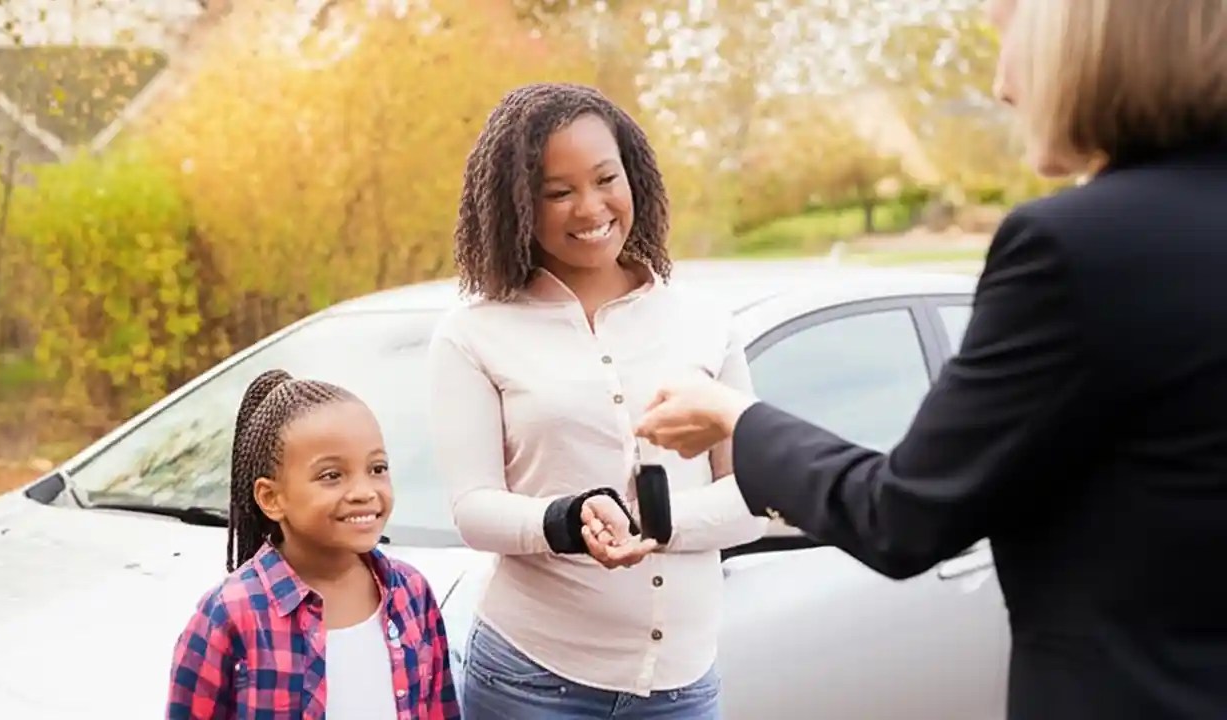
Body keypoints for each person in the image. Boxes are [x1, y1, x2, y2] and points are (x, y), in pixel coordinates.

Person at [634, 1, 1227, 719]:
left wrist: (736, 420)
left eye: (1006, 37)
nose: (1004, 84)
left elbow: (904, 516)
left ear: (1084, 45)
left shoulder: (1077, 250)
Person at [427, 82, 767, 719]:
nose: (590, 207)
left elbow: (752, 495)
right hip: (531, 682)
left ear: (633, 174)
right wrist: (569, 522)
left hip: (683, 689)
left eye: (606, 178)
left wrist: (656, 527)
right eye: (558, 192)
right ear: (517, 205)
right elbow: (473, 509)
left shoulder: (703, 321)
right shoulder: (473, 333)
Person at [166, 369, 459, 719]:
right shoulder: (230, 615)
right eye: (331, 476)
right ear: (272, 498)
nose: (365, 491)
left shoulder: (411, 594)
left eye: (377, 468)